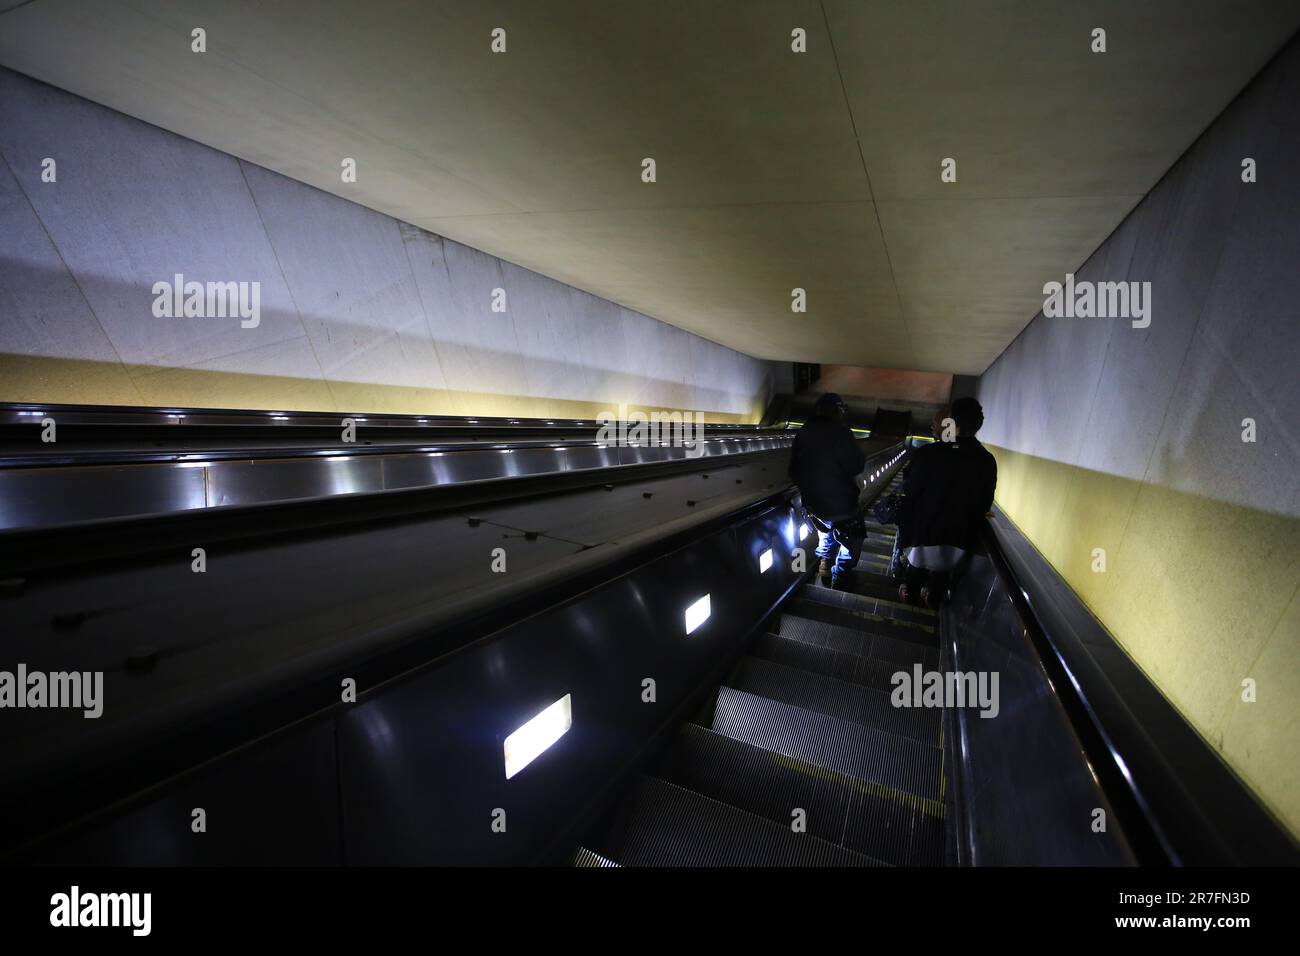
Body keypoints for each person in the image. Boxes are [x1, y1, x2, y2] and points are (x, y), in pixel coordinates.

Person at [896, 396, 997, 608]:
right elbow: (985, 503)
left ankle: (909, 591)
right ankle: (933, 596)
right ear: (977, 426)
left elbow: (911, 490)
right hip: (960, 539)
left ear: (953, 422)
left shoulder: (929, 454)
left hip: (923, 533)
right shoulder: (987, 461)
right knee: (943, 569)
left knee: (917, 563)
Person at [788, 393, 867, 589]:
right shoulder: (842, 433)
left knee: (826, 531)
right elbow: (856, 465)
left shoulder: (804, 431)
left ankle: (824, 563)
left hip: (814, 504)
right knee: (851, 539)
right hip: (843, 503)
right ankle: (840, 575)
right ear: (838, 411)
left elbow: (793, 470)